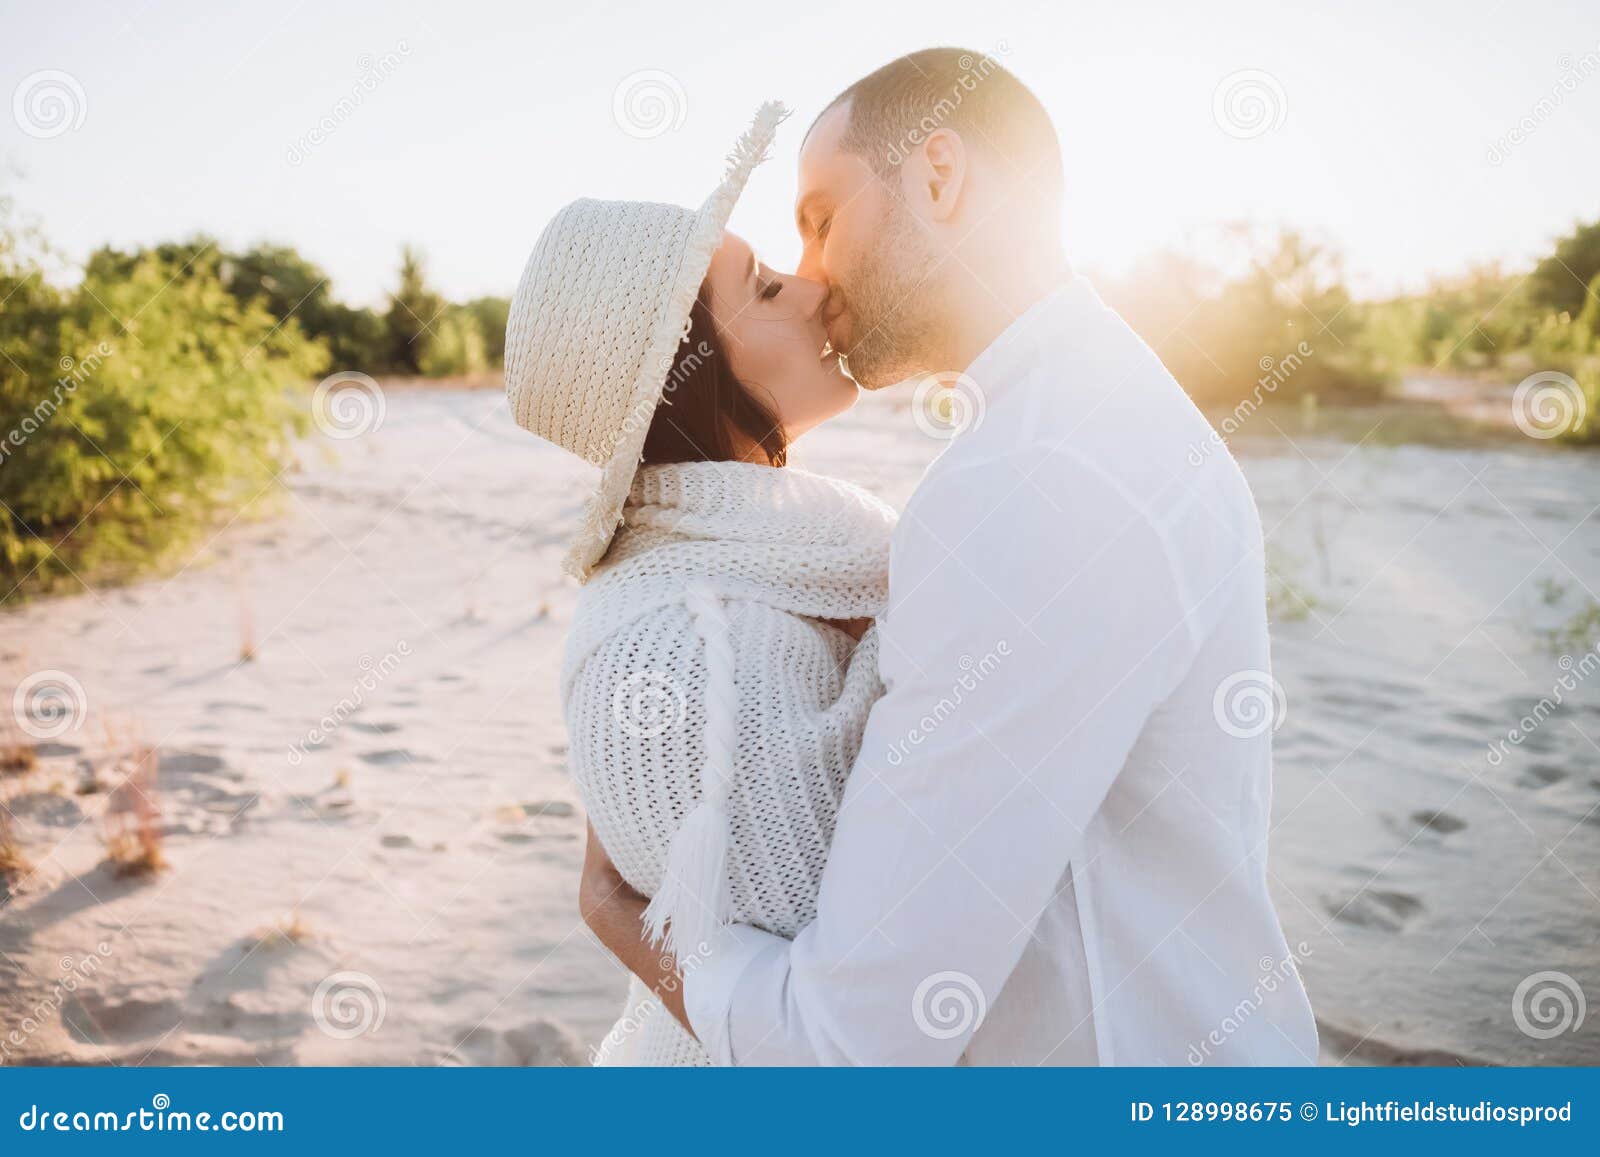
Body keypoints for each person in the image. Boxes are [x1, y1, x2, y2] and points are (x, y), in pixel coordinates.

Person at [578, 48, 1319, 1066]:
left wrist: (633, 926)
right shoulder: (1093, 412)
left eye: (822, 218)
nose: (814, 271)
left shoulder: (1034, 479)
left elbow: (850, 1045)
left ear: (938, 178)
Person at [504, 102, 894, 1064]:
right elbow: (822, 1031)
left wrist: (609, 910)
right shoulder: (688, 649)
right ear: (686, 375)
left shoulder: (792, 556)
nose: (811, 288)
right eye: (762, 289)